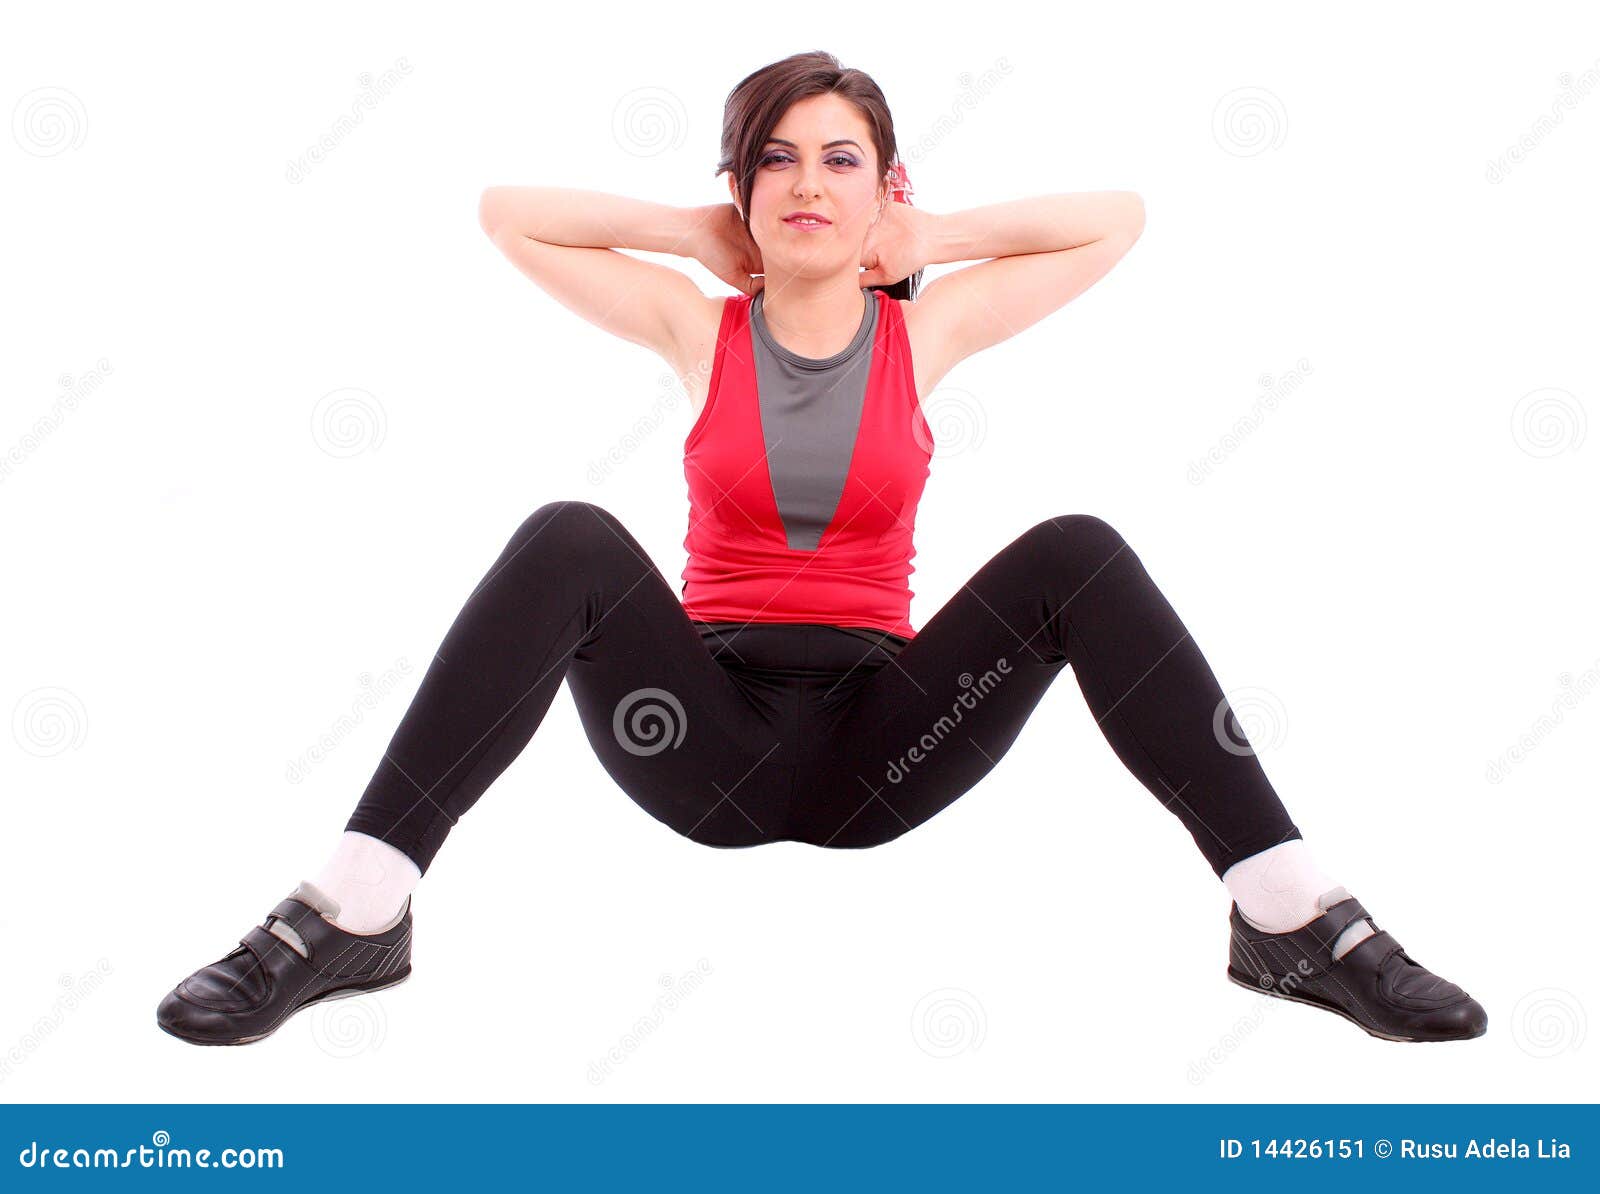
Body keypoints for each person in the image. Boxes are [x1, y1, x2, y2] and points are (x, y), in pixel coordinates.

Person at [156, 51, 1485, 1047]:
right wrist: (692, 234)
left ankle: (1293, 917)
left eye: (840, 158)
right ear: (743, 187)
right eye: (776, 159)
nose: (807, 184)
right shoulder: (696, 327)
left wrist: (934, 241)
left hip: (880, 746)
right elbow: (507, 210)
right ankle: (352, 912)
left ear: (885, 184)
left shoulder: (929, 332)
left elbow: (1120, 217)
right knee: (568, 535)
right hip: (701, 733)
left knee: (1078, 549)